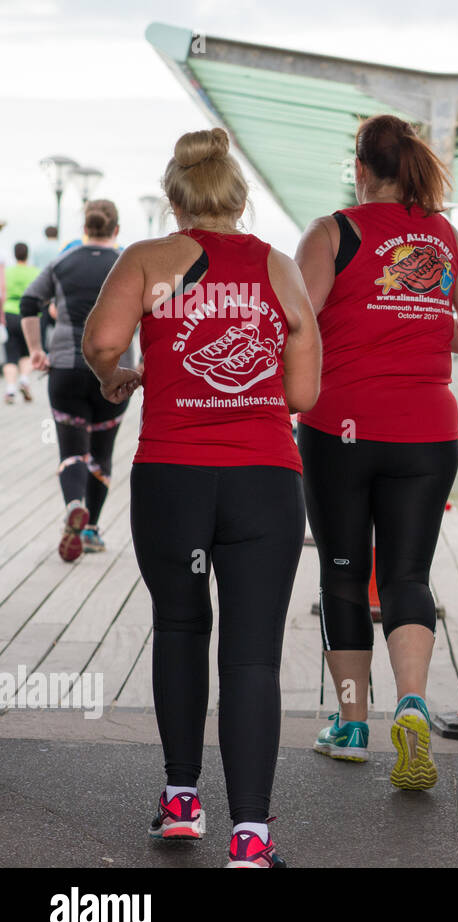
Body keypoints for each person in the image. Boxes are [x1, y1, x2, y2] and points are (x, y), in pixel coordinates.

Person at [81, 128, 321, 867]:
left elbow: (101, 341)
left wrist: (121, 376)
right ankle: (252, 837)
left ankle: (182, 801)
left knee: (182, 629)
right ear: (238, 199)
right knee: (252, 657)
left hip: (172, 479)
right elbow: (304, 393)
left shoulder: (148, 259)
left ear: (177, 197)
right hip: (265, 483)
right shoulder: (280, 269)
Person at [295, 114, 458, 790]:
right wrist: (416, 339)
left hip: (340, 429)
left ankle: (351, 722)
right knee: (408, 574)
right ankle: (412, 703)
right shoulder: (442, 235)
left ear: (359, 168)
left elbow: (296, 324)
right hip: (427, 431)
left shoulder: (332, 232)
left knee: (345, 574)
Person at [20, 201, 129, 560]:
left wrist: (36, 349)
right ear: (116, 230)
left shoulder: (62, 262)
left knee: (72, 452)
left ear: (86, 227)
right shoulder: (128, 263)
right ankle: (92, 529)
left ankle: (74, 505)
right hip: (113, 371)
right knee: (102, 452)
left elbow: (29, 301)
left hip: (66, 367)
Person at [4, 242, 38, 403]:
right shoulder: (35, 272)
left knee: (11, 354)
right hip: (29, 315)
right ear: (27, 254)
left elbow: (2, 293)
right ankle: (24, 379)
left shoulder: (7, 272)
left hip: (9, 311)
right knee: (27, 352)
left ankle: (10, 390)